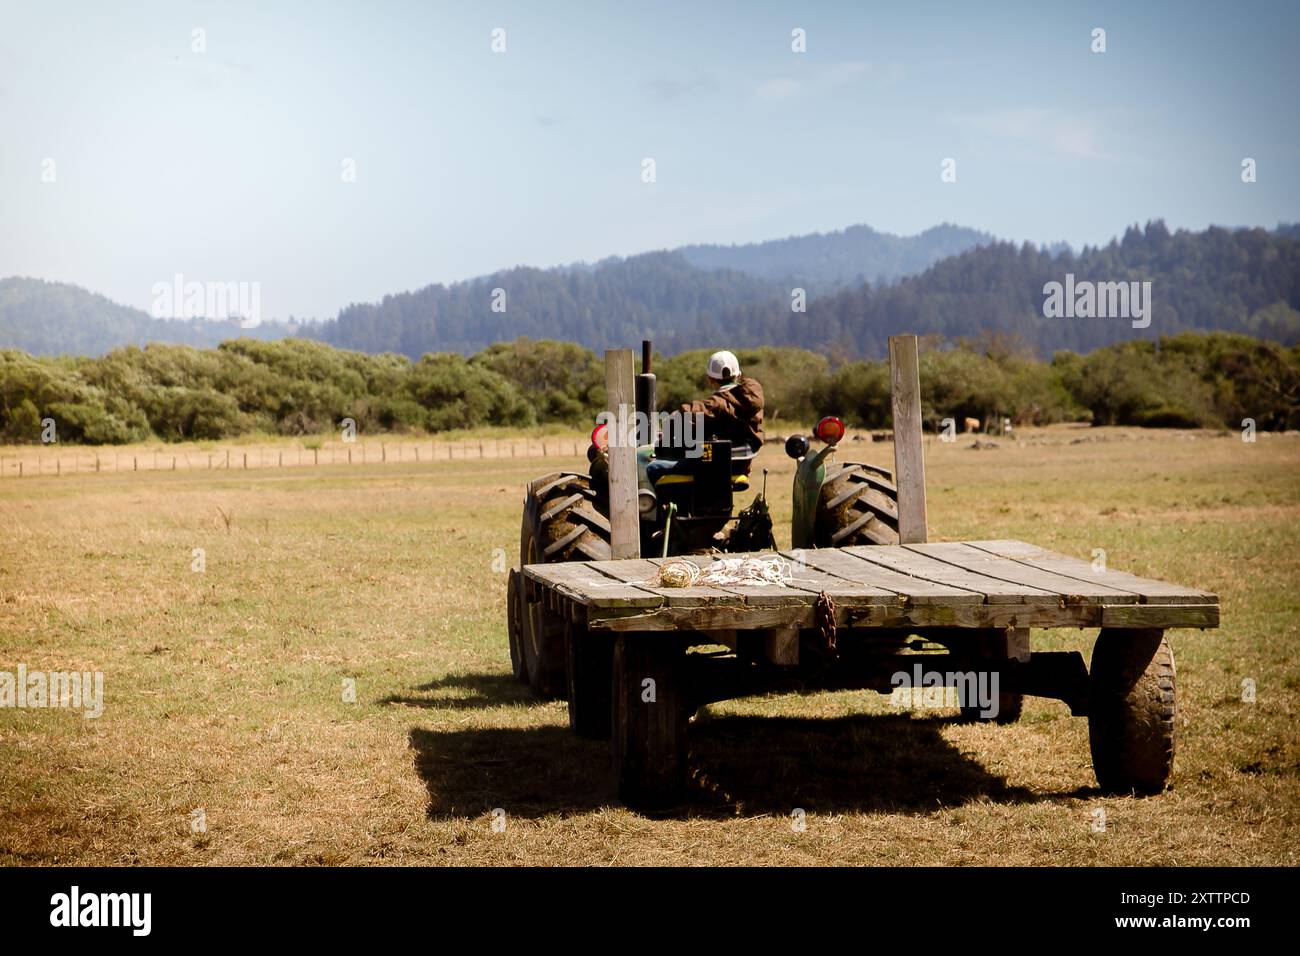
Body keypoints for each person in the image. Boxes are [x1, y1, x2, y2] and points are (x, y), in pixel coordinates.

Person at [679, 350, 764, 454]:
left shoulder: (714, 405)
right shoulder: (753, 400)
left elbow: (683, 415)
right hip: (743, 463)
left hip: (711, 463)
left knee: (654, 466)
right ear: (739, 376)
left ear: (710, 379)